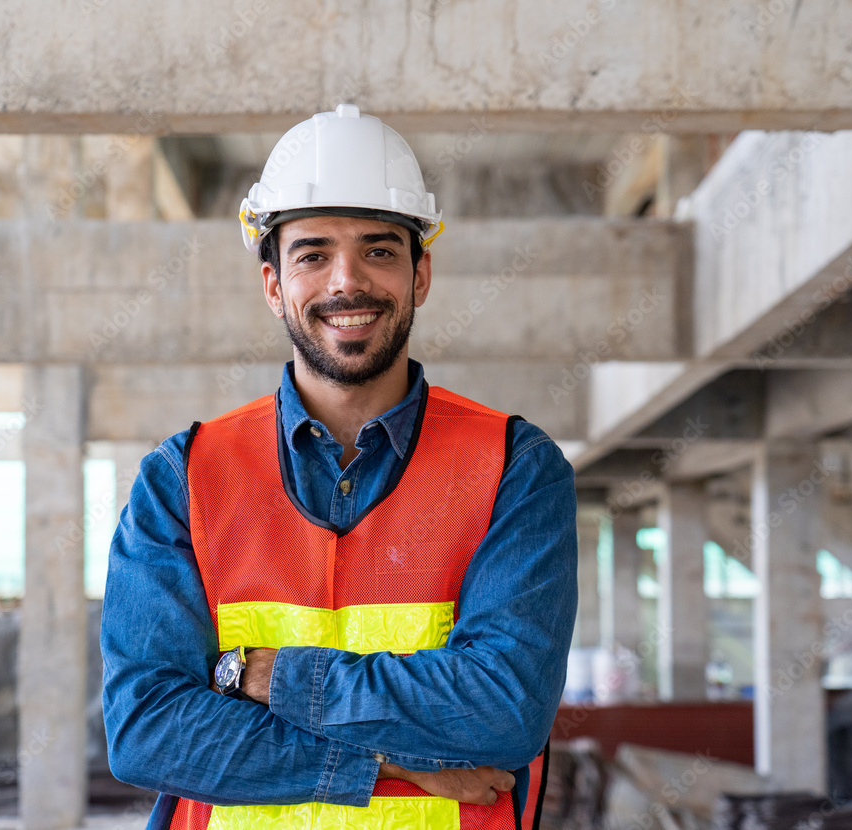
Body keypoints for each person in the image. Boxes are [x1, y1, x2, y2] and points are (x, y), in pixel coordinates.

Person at [101, 104, 578, 830]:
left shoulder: (516, 468)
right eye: (313, 253)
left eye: (381, 250)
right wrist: (382, 762)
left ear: (421, 276)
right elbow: (148, 732)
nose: (346, 282)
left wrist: (265, 675)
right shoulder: (183, 478)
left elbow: (503, 712)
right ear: (273, 285)